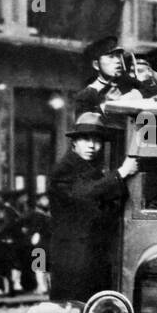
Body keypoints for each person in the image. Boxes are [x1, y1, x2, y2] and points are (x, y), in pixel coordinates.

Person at [46, 112, 138, 302]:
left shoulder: (93, 170)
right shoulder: (63, 170)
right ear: (74, 142)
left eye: (97, 140)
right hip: (73, 261)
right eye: (85, 139)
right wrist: (121, 173)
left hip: (92, 257)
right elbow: (84, 194)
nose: (91, 145)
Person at [74, 36, 143, 113]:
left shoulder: (128, 83)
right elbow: (85, 122)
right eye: (111, 57)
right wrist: (106, 106)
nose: (118, 60)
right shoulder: (86, 96)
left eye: (118, 56)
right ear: (96, 65)